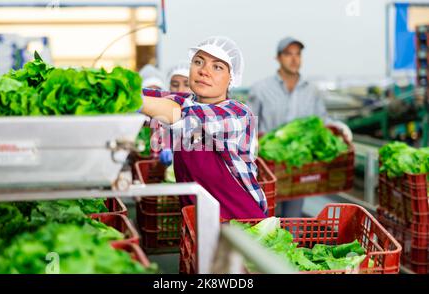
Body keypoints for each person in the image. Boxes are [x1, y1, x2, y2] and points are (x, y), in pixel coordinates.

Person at [140, 36, 267, 219]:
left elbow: (186, 116)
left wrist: (135, 101)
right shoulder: (184, 101)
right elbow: (154, 97)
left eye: (217, 67)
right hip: (200, 224)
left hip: (242, 225)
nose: (204, 71)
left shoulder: (237, 114)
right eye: (198, 62)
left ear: (231, 78)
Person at [247, 37, 352, 217]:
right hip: (269, 166)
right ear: (278, 58)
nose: (294, 59)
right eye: (288, 54)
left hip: (298, 167)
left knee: (293, 220)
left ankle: (292, 241)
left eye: (298, 54)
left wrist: (338, 127)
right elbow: (249, 124)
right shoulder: (260, 89)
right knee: (265, 216)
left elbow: (321, 121)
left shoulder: (311, 90)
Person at [156, 62, 192, 166]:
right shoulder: (161, 116)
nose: (180, 90)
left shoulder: (201, 114)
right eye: (175, 85)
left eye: (186, 85)